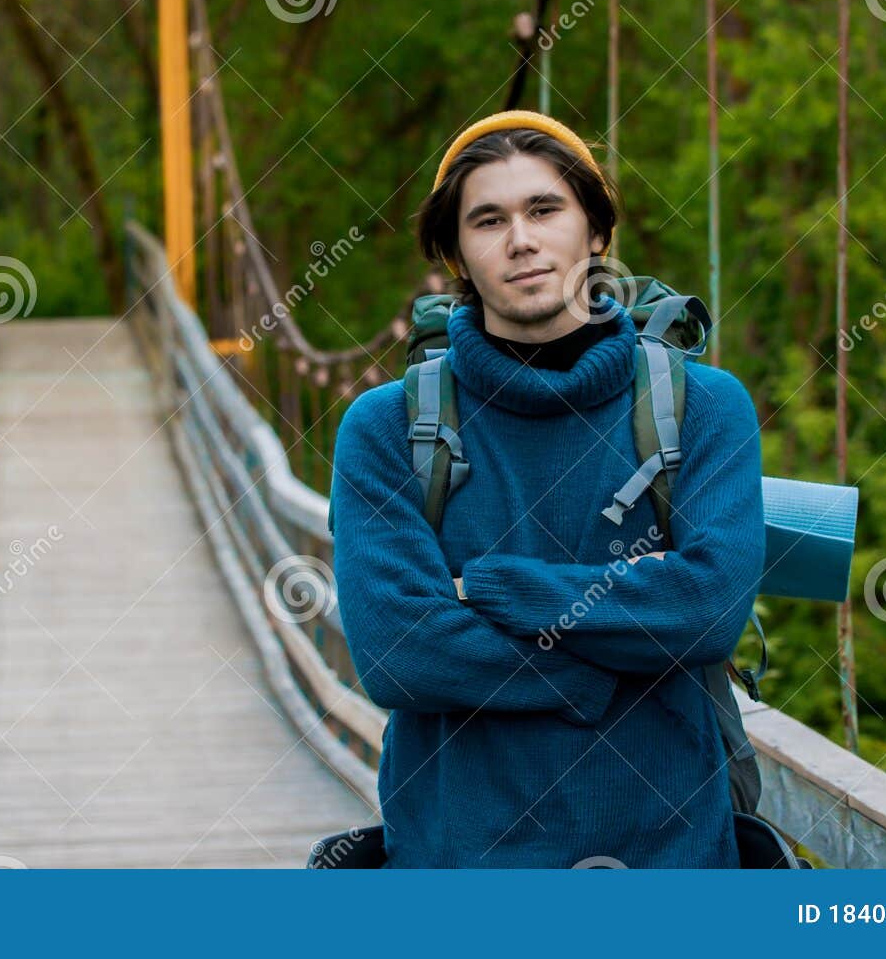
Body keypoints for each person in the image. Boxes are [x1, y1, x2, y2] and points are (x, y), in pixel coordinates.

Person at [328, 110, 765, 868]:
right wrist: (618, 646)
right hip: (459, 867)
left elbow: (707, 614)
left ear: (595, 232)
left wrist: (491, 588)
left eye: (544, 209)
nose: (520, 240)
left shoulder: (705, 406)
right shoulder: (385, 427)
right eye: (487, 220)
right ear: (457, 253)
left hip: (671, 862)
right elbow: (400, 654)